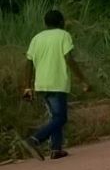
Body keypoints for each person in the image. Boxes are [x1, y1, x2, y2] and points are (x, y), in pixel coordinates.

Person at [20, 10, 90, 161]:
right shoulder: (63, 35)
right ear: (61, 22)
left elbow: (29, 63)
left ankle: (56, 149)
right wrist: (82, 79)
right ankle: (34, 140)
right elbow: (69, 58)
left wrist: (27, 87)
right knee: (61, 118)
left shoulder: (36, 38)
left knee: (55, 117)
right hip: (57, 82)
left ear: (45, 23)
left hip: (41, 84)